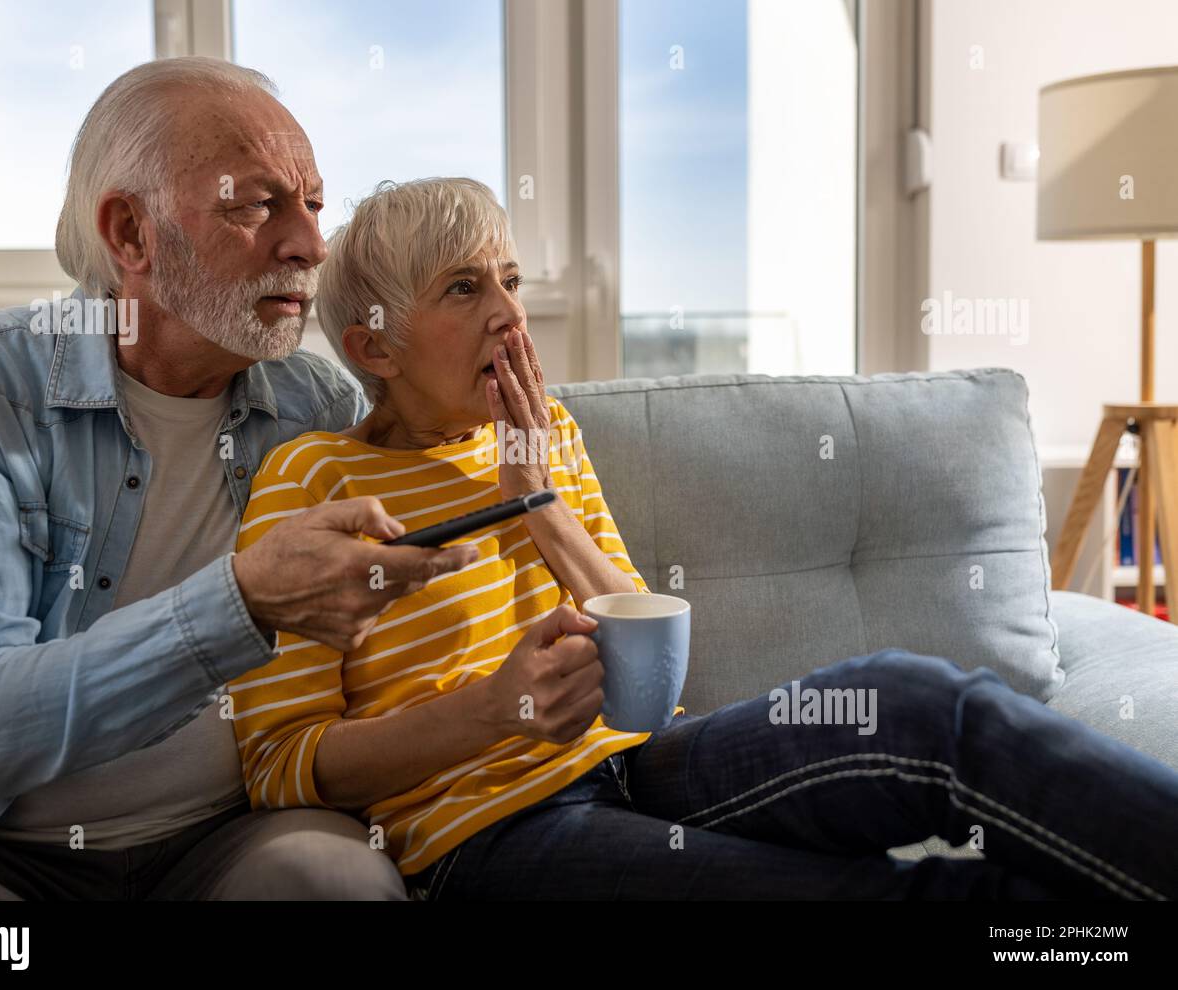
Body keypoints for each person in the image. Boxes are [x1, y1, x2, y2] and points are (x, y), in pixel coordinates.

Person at [232, 176, 1178, 900]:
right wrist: (495, 710)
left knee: (927, 707)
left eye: (513, 281)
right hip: (485, 837)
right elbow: (281, 764)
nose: (511, 314)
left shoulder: (544, 435)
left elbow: (653, 677)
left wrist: (536, 501)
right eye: (465, 287)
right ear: (375, 348)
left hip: (641, 758)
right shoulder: (316, 481)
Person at [0, 57, 478, 900]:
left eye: (311, 204)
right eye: (256, 204)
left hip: (231, 837)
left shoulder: (317, 403)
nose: (309, 244)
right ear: (131, 233)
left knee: (334, 881)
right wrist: (240, 605)